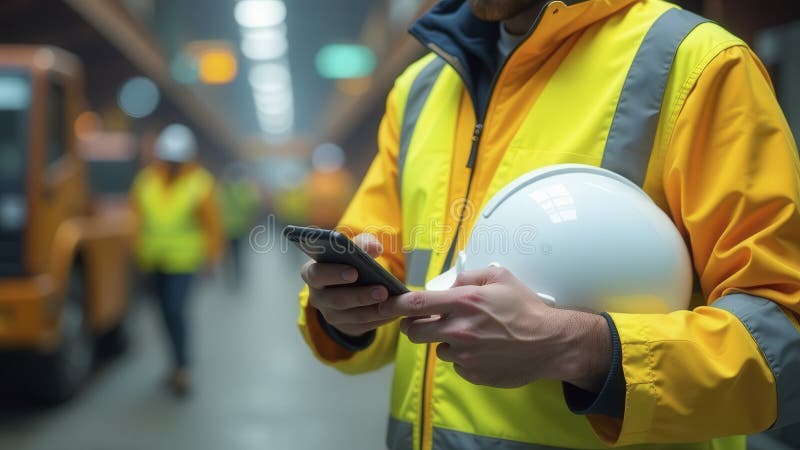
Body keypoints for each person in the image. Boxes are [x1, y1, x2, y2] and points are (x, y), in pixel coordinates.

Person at [297, 1, 800, 449]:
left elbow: (780, 341)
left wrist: (579, 346)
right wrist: (346, 313)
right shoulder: (419, 90)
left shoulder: (694, 64)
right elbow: (390, 278)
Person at [131, 124, 223, 396]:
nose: (171, 164)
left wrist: (212, 257)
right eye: (168, 159)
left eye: (176, 160)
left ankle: (182, 368)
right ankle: (174, 365)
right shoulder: (146, 181)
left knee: (175, 310)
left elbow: (212, 225)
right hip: (153, 260)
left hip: (184, 261)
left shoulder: (200, 183)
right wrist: (135, 252)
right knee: (163, 314)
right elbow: (136, 219)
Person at [218, 162, 261, 288]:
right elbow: (251, 205)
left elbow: (251, 205)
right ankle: (234, 277)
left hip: (237, 228)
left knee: (235, 255)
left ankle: (236, 277)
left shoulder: (227, 188)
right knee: (231, 255)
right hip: (228, 228)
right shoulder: (239, 188)